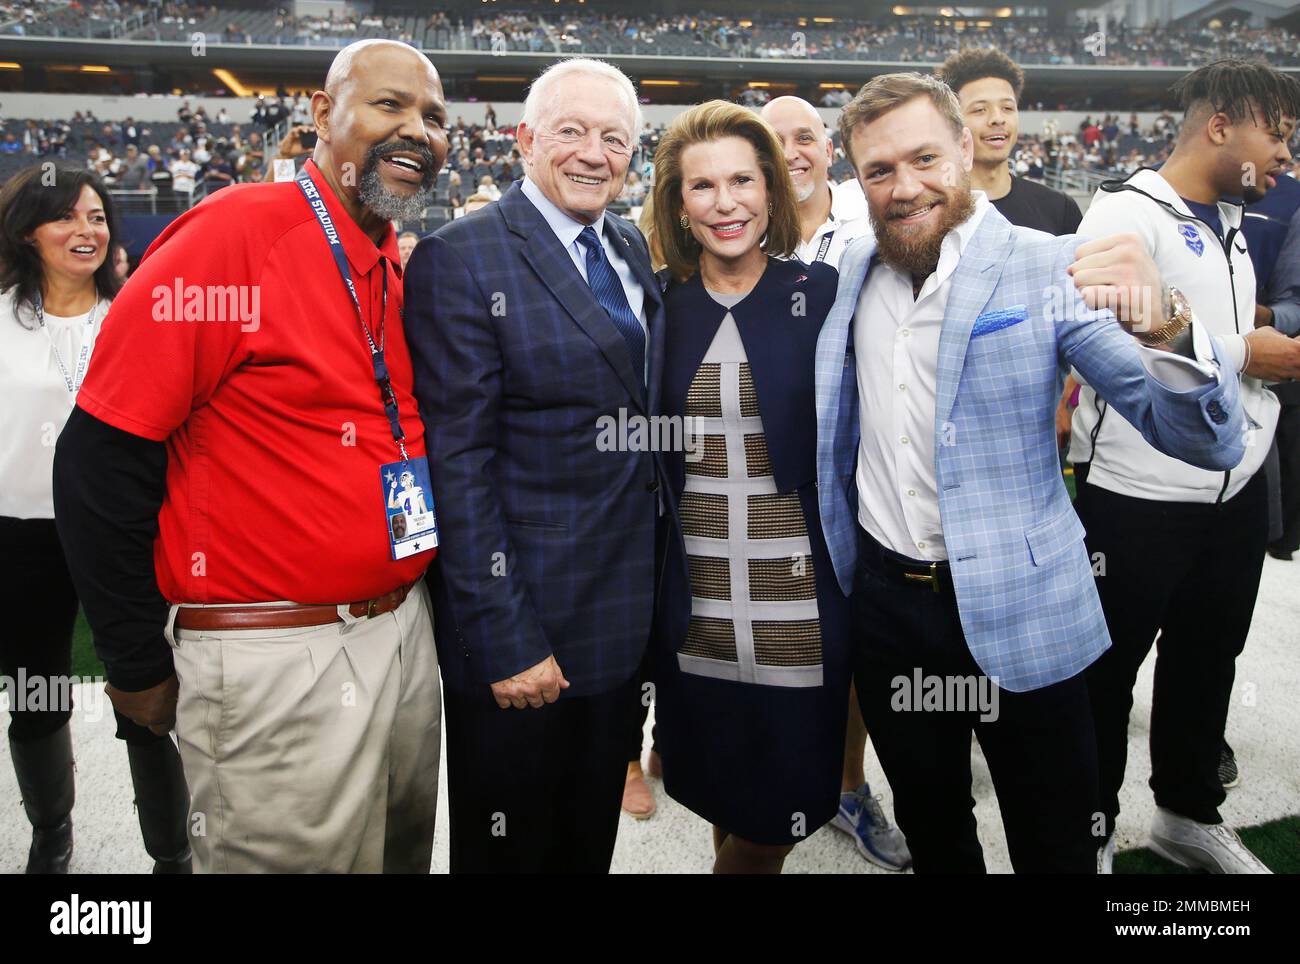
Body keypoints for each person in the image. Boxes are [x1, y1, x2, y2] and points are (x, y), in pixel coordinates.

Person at [819, 72, 1247, 874]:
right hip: (886, 615)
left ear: (965, 151)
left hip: (1025, 613)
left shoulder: (1052, 266)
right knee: (935, 834)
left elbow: (1200, 437)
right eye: (880, 171)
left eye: (924, 160)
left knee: (1057, 845)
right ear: (858, 180)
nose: (905, 187)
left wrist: (1171, 328)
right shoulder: (848, 272)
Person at [52, 39, 450, 874]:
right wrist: (132, 657)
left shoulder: (389, 259)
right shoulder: (233, 232)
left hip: (400, 635)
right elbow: (98, 460)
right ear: (319, 116)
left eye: (434, 117)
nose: (417, 130)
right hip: (276, 649)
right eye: (388, 106)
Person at [405, 57, 664, 874]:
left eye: (614, 138)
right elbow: (459, 462)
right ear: (523, 140)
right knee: (511, 850)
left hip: (621, 616)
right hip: (525, 625)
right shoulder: (463, 258)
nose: (594, 153)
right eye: (572, 132)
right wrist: (503, 636)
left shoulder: (625, 242)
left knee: (586, 844)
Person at [1070, 60, 1300, 874]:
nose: (1286, 156)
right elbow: (1112, 347)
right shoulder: (1125, 211)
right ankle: (1088, 833)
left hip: (1230, 490)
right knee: (1106, 676)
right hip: (1137, 498)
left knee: (1210, 655)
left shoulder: (1232, 218)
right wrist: (1246, 352)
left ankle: (1186, 813)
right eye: (1277, 134)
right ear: (1221, 126)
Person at [648, 100, 852, 874]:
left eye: (742, 180)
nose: (725, 203)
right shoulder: (658, 304)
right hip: (694, 599)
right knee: (721, 788)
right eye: (702, 187)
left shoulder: (824, 294)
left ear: (772, 189)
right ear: (677, 201)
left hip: (799, 600)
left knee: (780, 809)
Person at [0, 164, 190, 874]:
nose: (88, 230)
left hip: (127, 539)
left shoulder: (137, 311)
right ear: (26, 231)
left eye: (98, 217)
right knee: (36, 693)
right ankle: (53, 835)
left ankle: (171, 855)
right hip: (24, 536)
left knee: (147, 697)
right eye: (68, 217)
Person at [760, 94, 909, 872]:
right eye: (773, 139)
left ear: (830, 148)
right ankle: (754, 774)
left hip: (857, 479)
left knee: (847, 644)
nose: (791, 151)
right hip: (758, 480)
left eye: (805, 137)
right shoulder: (734, 230)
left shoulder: (880, 234)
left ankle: (849, 786)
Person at [937, 47, 1082, 236]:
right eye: (980, 109)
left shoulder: (1059, 209)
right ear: (952, 122)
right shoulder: (932, 214)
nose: (998, 119)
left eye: (1007, 107)